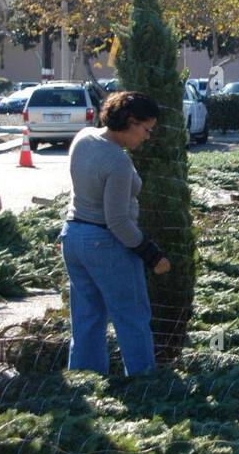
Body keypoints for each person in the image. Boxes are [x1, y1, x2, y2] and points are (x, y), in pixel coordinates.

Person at [62, 91, 171, 377]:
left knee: (87, 319)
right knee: (131, 316)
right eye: (146, 130)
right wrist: (152, 254)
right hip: (104, 243)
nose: (147, 137)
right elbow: (118, 222)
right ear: (130, 121)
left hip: (73, 236)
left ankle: (86, 383)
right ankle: (144, 384)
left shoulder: (84, 138)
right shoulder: (118, 163)